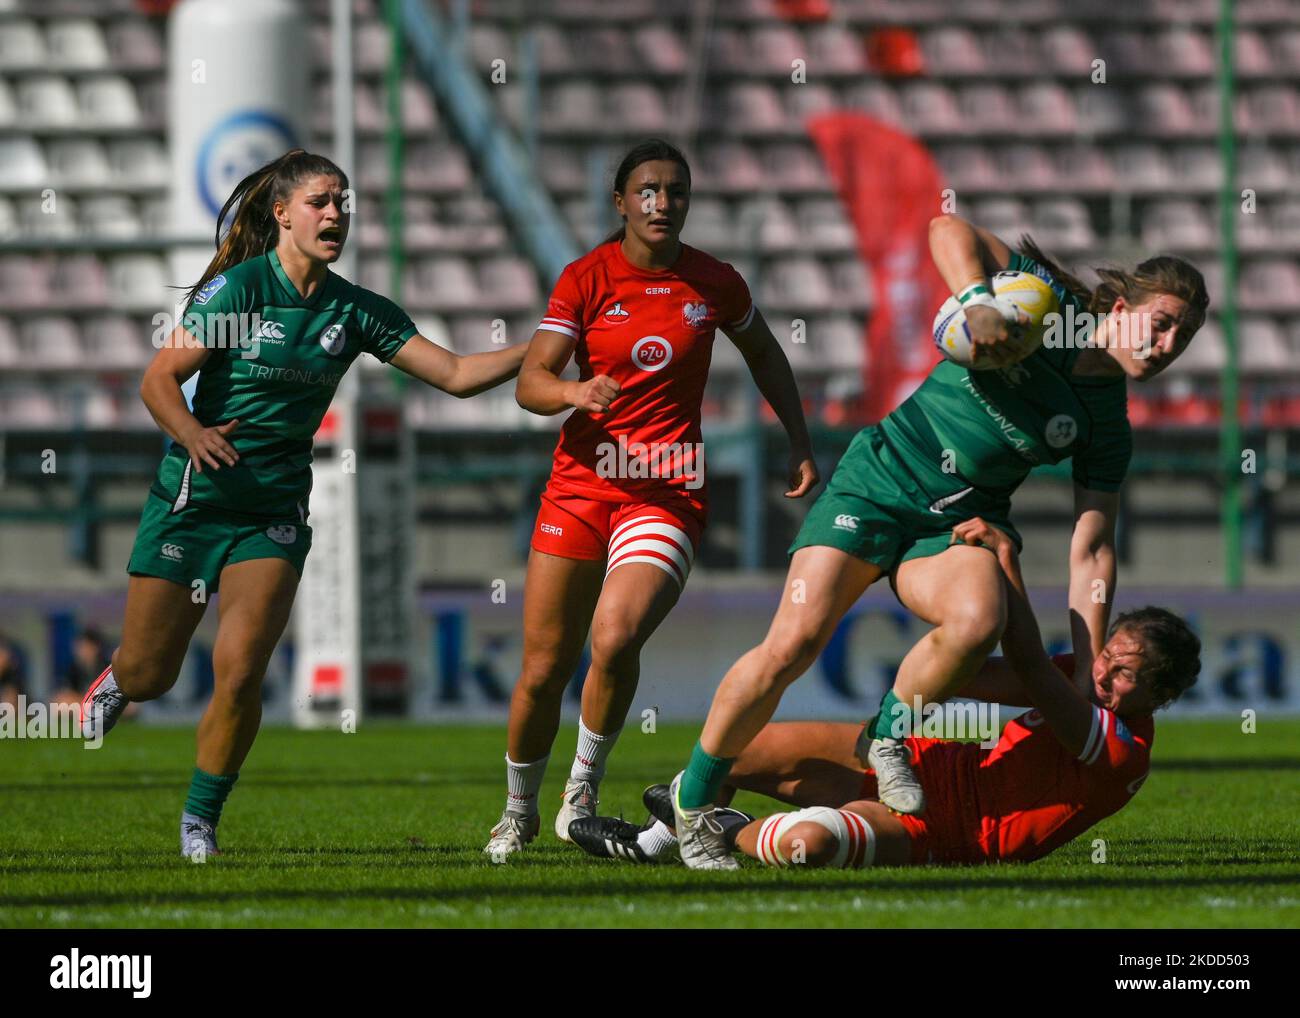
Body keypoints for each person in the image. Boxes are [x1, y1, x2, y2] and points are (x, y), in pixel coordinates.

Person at [668, 214, 1209, 869]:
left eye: (1184, 335)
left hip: (957, 522)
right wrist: (978, 305)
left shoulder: (1107, 425)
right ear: (1121, 310)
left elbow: (1092, 548)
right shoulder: (1046, 308)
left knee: (981, 616)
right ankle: (691, 814)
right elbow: (947, 226)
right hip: (877, 482)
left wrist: (1091, 665)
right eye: (1163, 323)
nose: (1170, 343)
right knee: (792, 645)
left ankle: (888, 736)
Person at [79, 149, 527, 858]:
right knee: (149, 674)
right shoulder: (239, 292)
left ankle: (200, 821)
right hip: (194, 500)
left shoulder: (354, 310)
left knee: (242, 670)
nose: (335, 214)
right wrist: (192, 432)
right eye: (320, 201)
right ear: (282, 213)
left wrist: (547, 348)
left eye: (343, 203)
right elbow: (159, 379)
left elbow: (457, 373)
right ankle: (117, 679)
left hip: (273, 513)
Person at [483, 139, 817, 857]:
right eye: (648, 190)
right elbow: (530, 381)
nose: (662, 203)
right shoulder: (584, 279)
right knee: (543, 669)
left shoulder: (715, 283)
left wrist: (798, 438)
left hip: (665, 494)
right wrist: (574, 389)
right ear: (621, 201)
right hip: (579, 487)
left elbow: (765, 352)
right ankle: (517, 813)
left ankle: (580, 794)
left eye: (675, 191)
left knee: (616, 635)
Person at [570, 517, 1201, 870]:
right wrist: (953, 625)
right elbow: (981, 671)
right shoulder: (1082, 680)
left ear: (1161, 694)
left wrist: (1004, 561)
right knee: (737, 747)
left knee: (806, 846)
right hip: (925, 762)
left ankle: (715, 830)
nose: (1105, 676)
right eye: (1109, 657)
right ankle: (655, 843)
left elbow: (1032, 666)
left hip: (947, 833)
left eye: (1126, 676)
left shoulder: (1122, 747)